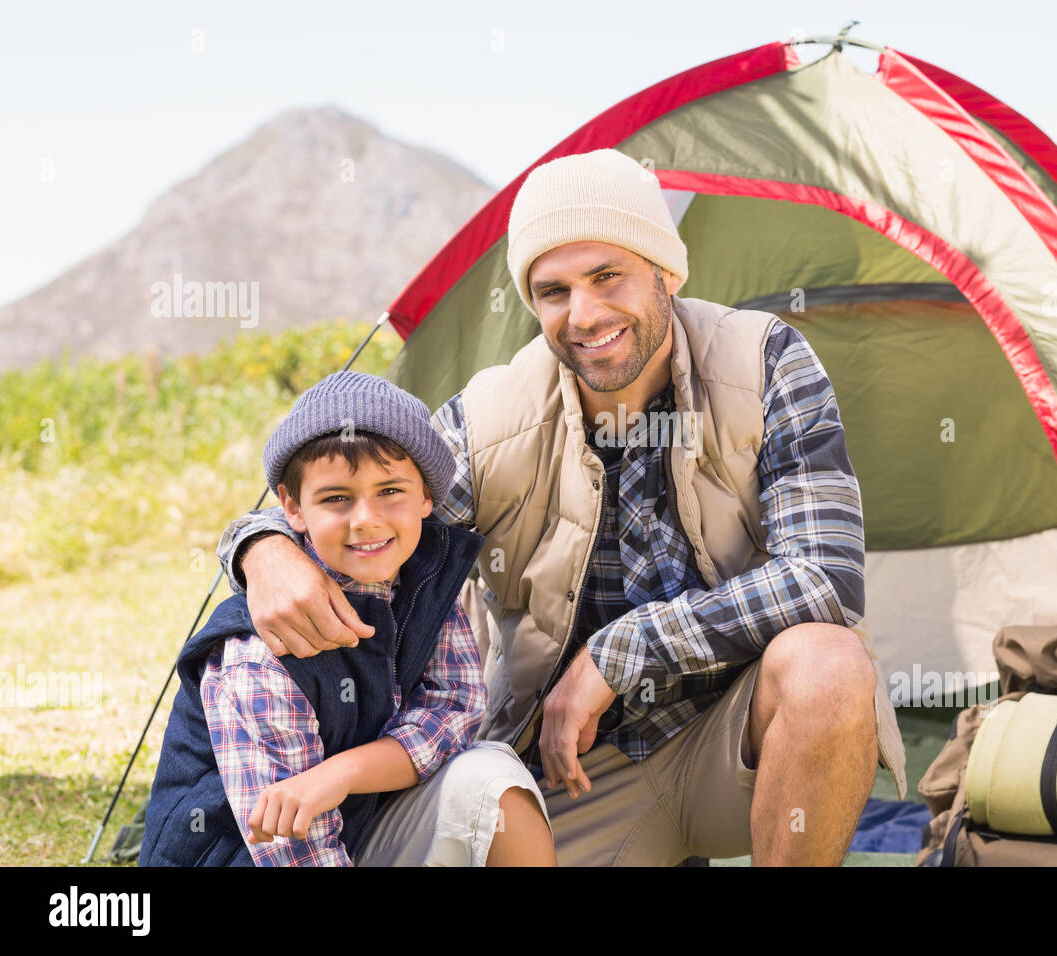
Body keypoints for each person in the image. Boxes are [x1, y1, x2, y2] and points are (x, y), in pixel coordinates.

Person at [217, 149, 907, 866]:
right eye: (553, 291)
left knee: (829, 665)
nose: (584, 314)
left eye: (608, 276)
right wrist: (257, 545)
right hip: (570, 773)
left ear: (667, 271)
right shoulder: (492, 417)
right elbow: (375, 510)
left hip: (730, 745)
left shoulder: (766, 362)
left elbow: (825, 578)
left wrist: (620, 651)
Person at [141, 371, 555, 866]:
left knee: (489, 778)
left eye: (390, 491)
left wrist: (343, 773)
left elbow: (452, 712)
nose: (366, 519)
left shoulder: (422, 582)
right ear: (293, 507)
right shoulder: (261, 651)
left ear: (428, 497)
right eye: (337, 498)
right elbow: (289, 842)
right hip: (251, 857)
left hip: (356, 827)